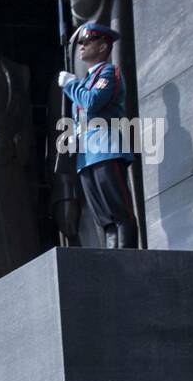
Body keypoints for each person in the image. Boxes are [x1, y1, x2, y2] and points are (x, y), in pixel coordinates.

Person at [58, 21, 137, 249]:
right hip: (86, 155)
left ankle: (129, 257)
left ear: (103, 47)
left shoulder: (109, 72)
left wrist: (72, 86)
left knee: (120, 212)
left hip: (106, 149)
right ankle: (113, 262)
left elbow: (93, 102)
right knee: (105, 219)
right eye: (80, 42)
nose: (81, 46)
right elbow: (81, 115)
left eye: (87, 41)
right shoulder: (84, 83)